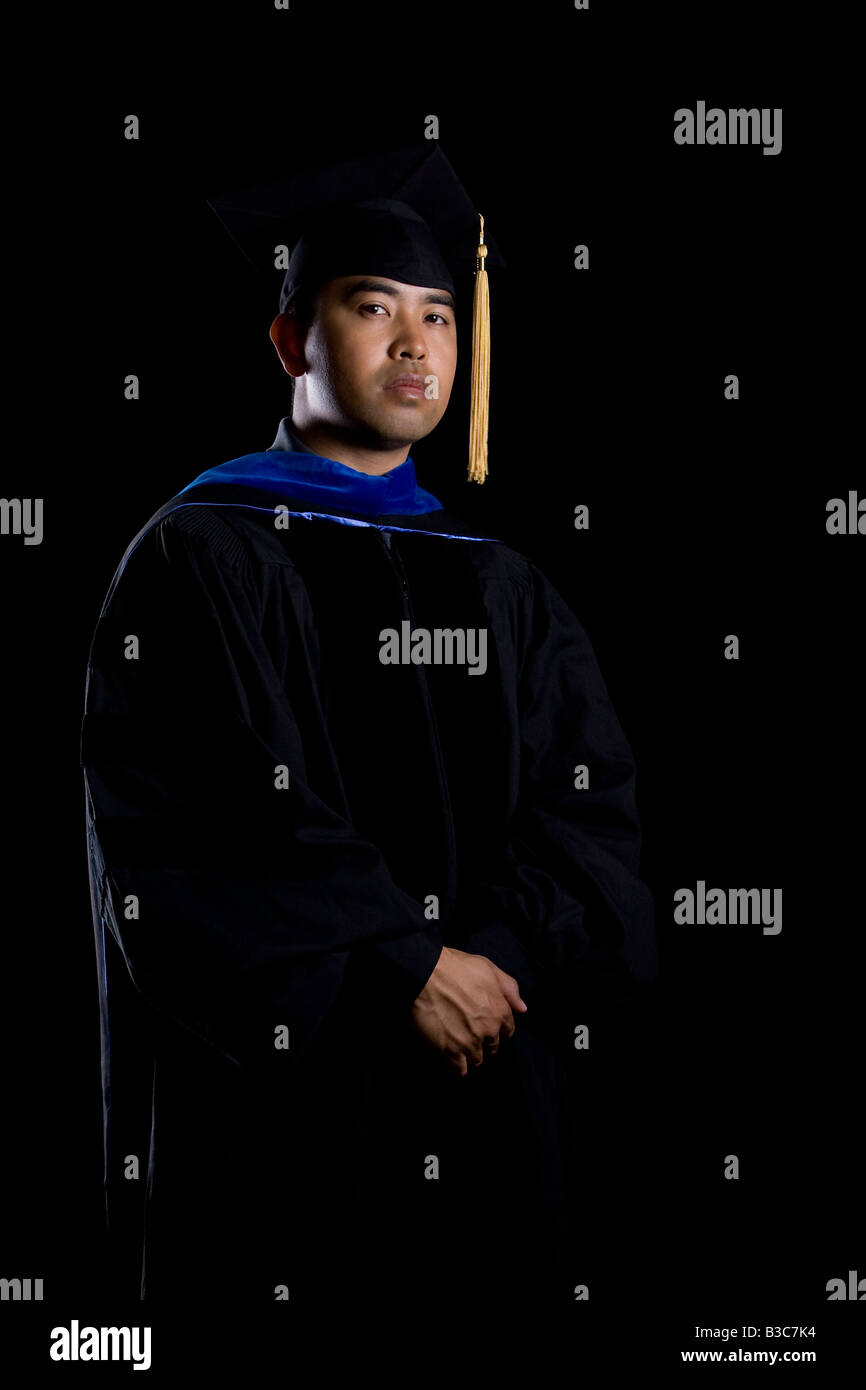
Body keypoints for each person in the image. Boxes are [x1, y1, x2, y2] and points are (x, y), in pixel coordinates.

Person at [80, 143, 657, 1320]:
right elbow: (205, 822)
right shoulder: (199, 557)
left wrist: (488, 967)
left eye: (440, 316)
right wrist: (406, 965)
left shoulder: (504, 584)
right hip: (290, 1119)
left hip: (493, 1093)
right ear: (292, 344)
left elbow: (587, 815)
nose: (414, 344)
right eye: (373, 306)